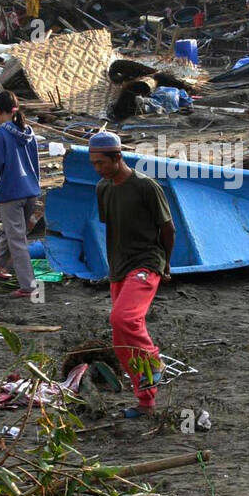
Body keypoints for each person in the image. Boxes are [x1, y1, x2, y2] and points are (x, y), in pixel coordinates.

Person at [89, 131, 174, 418]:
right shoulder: (103, 188)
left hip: (147, 262)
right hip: (119, 267)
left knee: (124, 318)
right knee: (121, 339)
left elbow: (168, 228)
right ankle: (146, 402)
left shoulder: (146, 187)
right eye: (94, 164)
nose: (98, 169)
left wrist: (165, 263)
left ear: (118, 157)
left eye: (101, 163)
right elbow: (113, 225)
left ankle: (154, 363)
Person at [0, 90, 41, 299]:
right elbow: (35, 162)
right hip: (30, 190)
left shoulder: (0, 134)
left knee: (17, 238)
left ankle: (29, 286)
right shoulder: (29, 132)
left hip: (11, 191)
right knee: (12, 231)